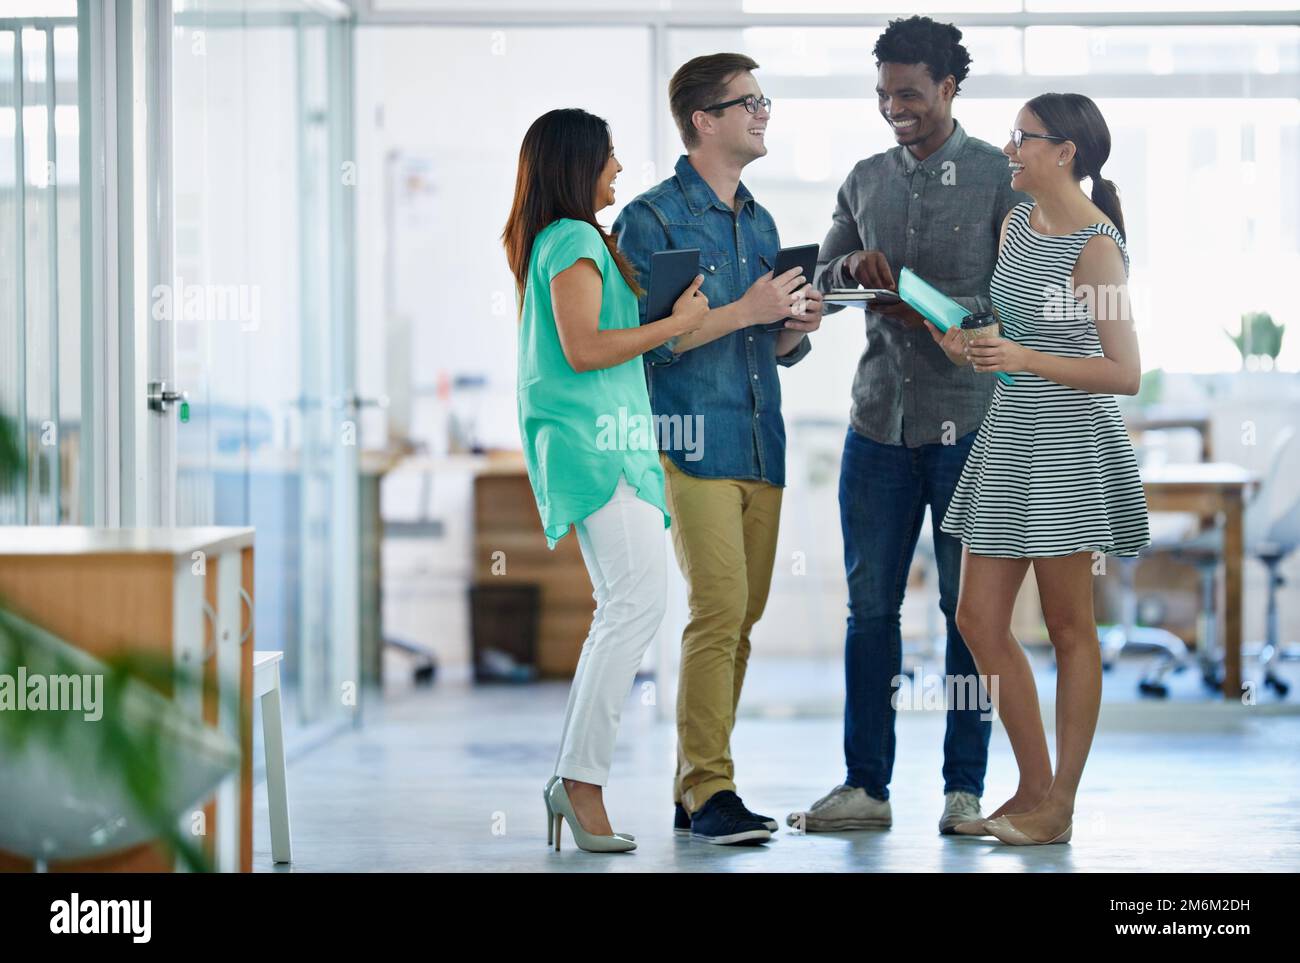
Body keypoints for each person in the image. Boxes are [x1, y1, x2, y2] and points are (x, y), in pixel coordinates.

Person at [791, 16, 1028, 836]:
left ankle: (965, 788)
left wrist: (957, 317)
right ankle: (867, 785)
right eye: (885, 94)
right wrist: (849, 268)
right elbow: (816, 279)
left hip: (974, 427)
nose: (896, 108)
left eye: (912, 95)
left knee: (971, 614)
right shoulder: (863, 180)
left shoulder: (1002, 177)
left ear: (950, 89)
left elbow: (1026, 304)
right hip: (877, 426)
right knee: (870, 612)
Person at [613, 53, 824, 846]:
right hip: (691, 442)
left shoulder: (762, 221)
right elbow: (647, 345)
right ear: (705, 119)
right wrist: (745, 312)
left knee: (742, 620)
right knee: (718, 610)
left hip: (761, 440)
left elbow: (763, 345)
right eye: (749, 103)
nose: (763, 113)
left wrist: (790, 329)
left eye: (764, 100)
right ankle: (711, 789)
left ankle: (693, 783)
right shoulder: (652, 218)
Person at [931, 92, 1150, 845]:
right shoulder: (1018, 223)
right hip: (1011, 430)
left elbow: (1125, 373)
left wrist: (1021, 357)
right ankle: (1030, 783)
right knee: (976, 618)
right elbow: (1016, 327)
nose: (1009, 149)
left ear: (1064, 152)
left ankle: (1059, 804)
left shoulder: (1096, 246)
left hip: (1068, 445)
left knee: (1067, 625)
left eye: (1021, 138)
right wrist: (973, 343)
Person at [502, 108, 709, 853]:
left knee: (625, 610)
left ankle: (576, 778)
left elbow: (599, 346)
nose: (619, 168)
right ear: (578, 163)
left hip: (610, 445)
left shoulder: (570, 241)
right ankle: (580, 783)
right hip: (600, 451)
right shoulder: (573, 238)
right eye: (611, 156)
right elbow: (586, 348)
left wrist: (667, 320)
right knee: (631, 611)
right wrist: (672, 323)